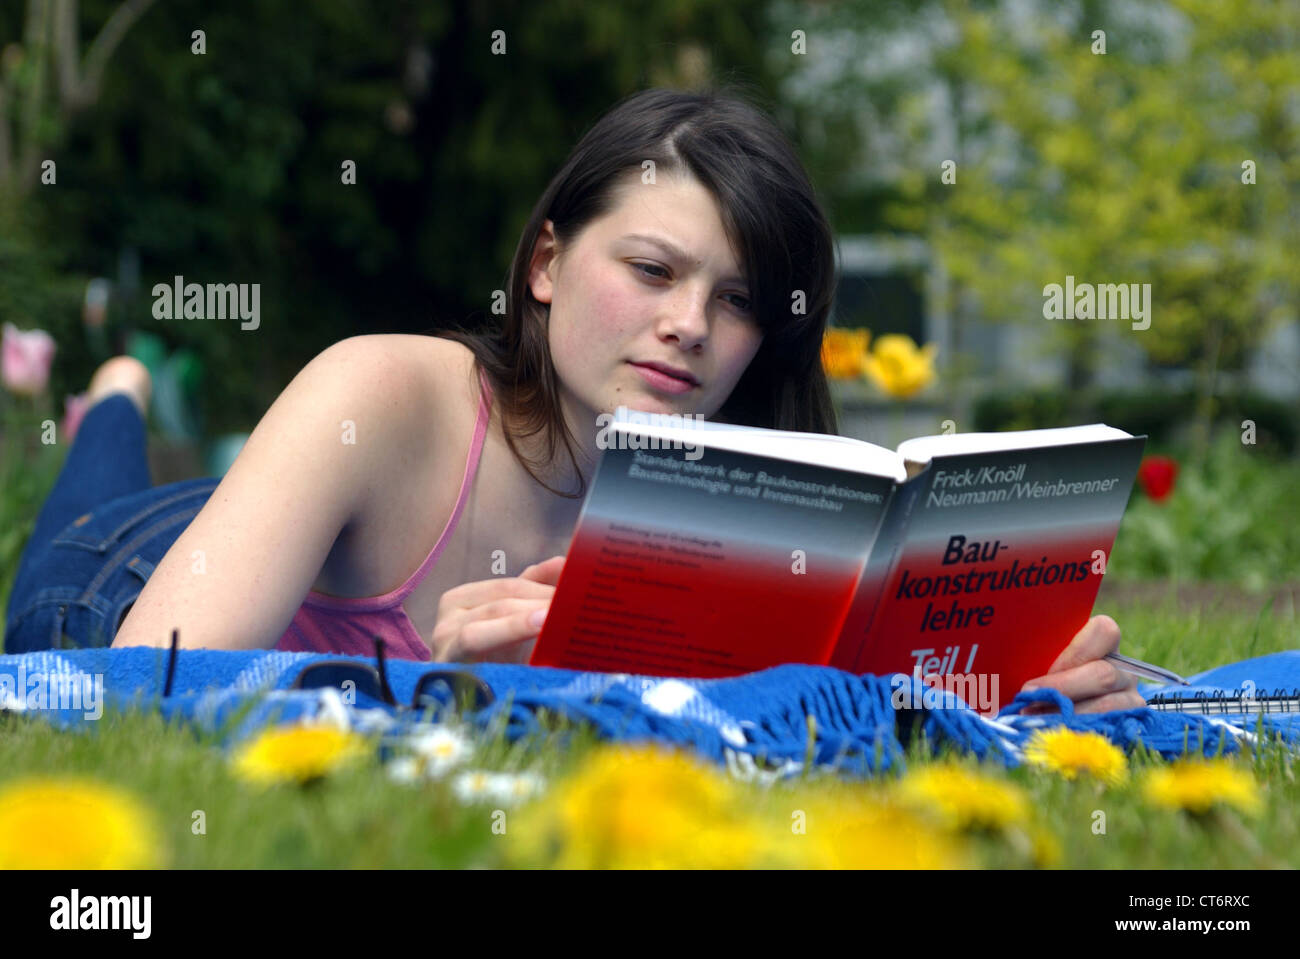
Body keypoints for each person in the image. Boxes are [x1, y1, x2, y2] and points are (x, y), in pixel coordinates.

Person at [3, 87, 1143, 713]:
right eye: (651, 271)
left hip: (263, 546)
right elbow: (127, 686)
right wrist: (451, 692)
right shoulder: (379, 391)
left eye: (735, 300)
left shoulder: (767, 502)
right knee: (94, 483)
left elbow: (818, 707)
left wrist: (998, 688)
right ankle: (114, 397)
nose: (691, 323)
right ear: (545, 264)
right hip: (123, 579)